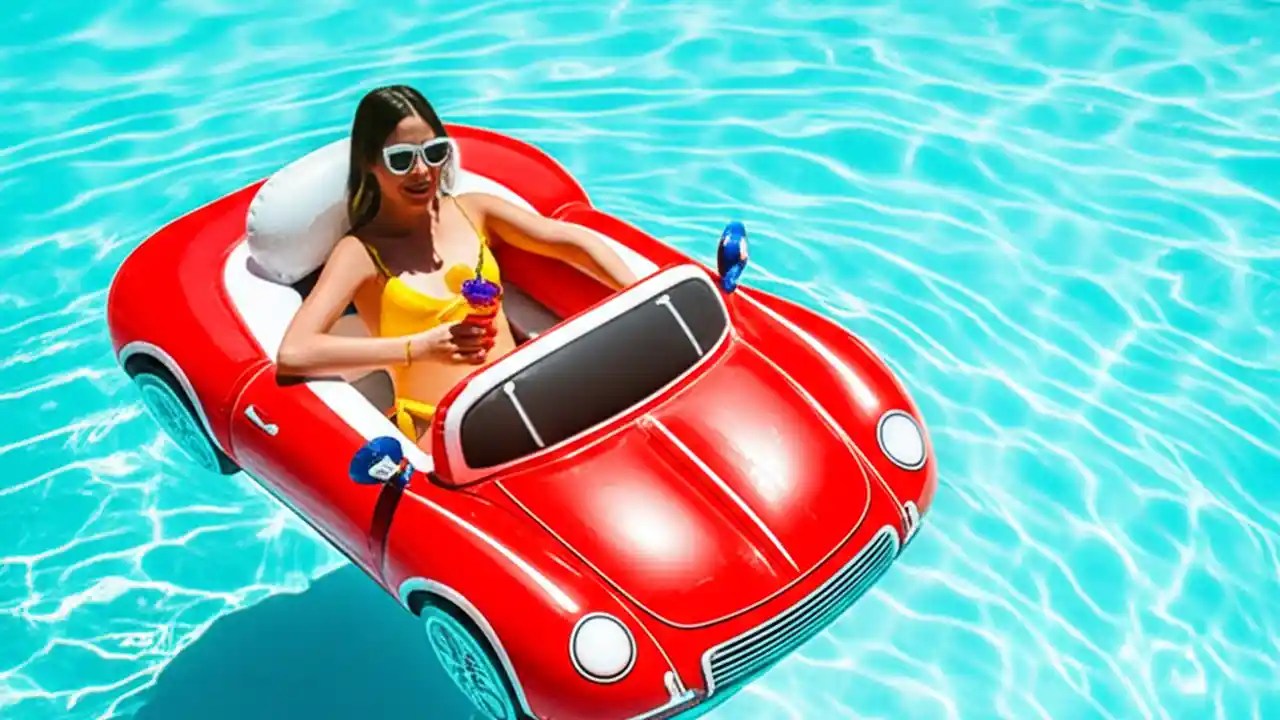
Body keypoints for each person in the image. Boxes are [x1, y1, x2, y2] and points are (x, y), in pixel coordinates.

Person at [277, 84, 639, 441]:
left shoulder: (475, 210)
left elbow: (571, 242)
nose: (421, 171)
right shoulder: (361, 252)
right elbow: (295, 351)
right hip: (439, 432)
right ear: (369, 164)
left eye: (434, 153)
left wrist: (635, 291)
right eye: (401, 159)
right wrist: (417, 347)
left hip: (521, 400)